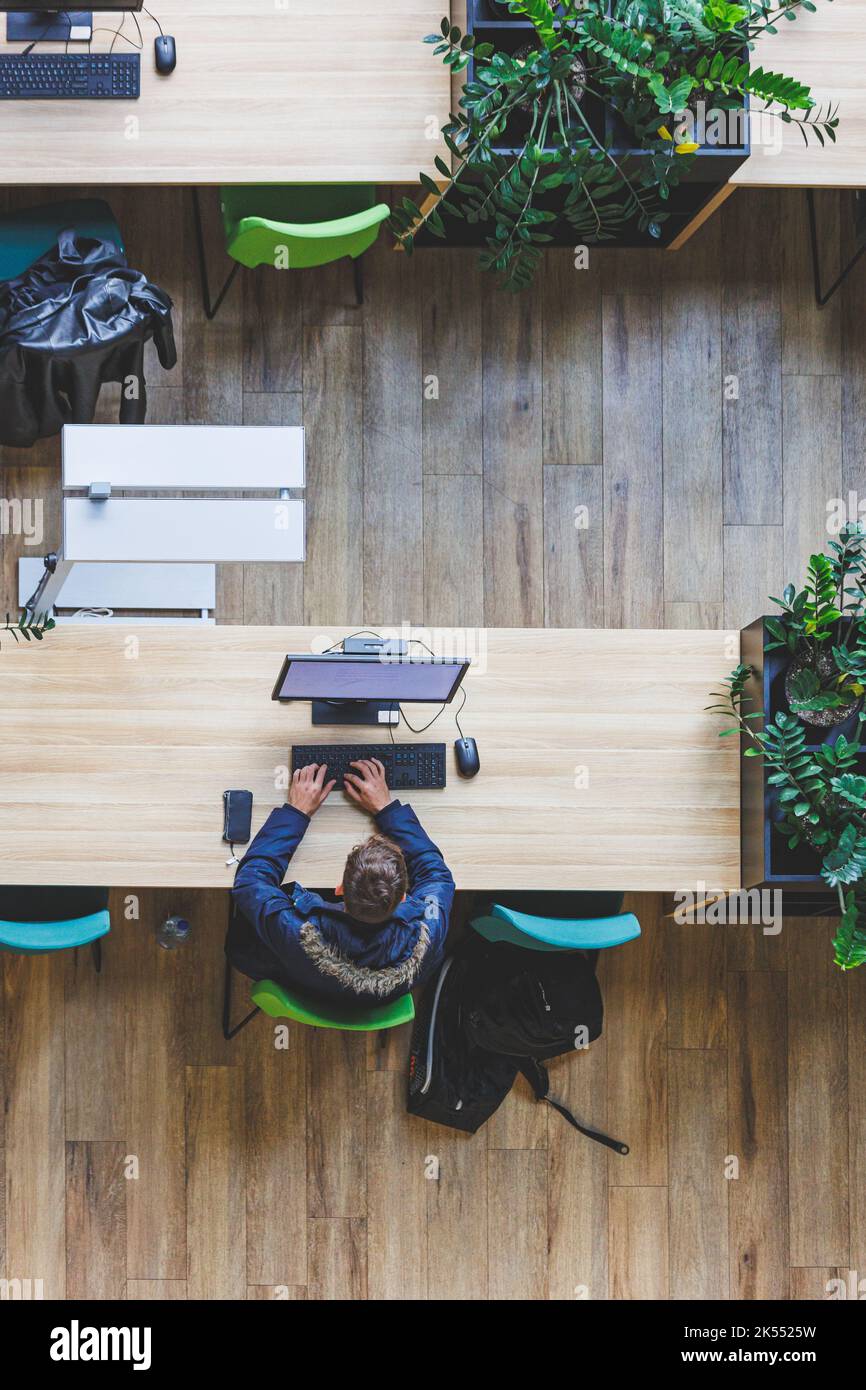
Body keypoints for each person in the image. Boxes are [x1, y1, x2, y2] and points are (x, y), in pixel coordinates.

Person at [227, 758, 455, 1006]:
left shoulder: (295, 931)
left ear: (339, 890)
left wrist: (296, 812)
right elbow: (435, 874)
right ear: (402, 897)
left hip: (305, 984)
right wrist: (388, 809)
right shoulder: (429, 927)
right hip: (374, 1000)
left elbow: (250, 881)